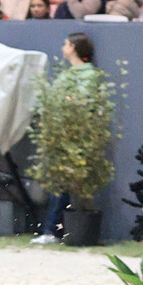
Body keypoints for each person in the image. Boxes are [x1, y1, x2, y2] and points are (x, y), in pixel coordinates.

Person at [32, 32, 101, 243]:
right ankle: (52, 229)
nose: (63, 48)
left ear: (74, 48)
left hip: (74, 135)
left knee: (62, 186)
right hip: (59, 134)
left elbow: (79, 101)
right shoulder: (68, 74)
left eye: (66, 44)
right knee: (58, 184)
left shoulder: (89, 74)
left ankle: (52, 230)